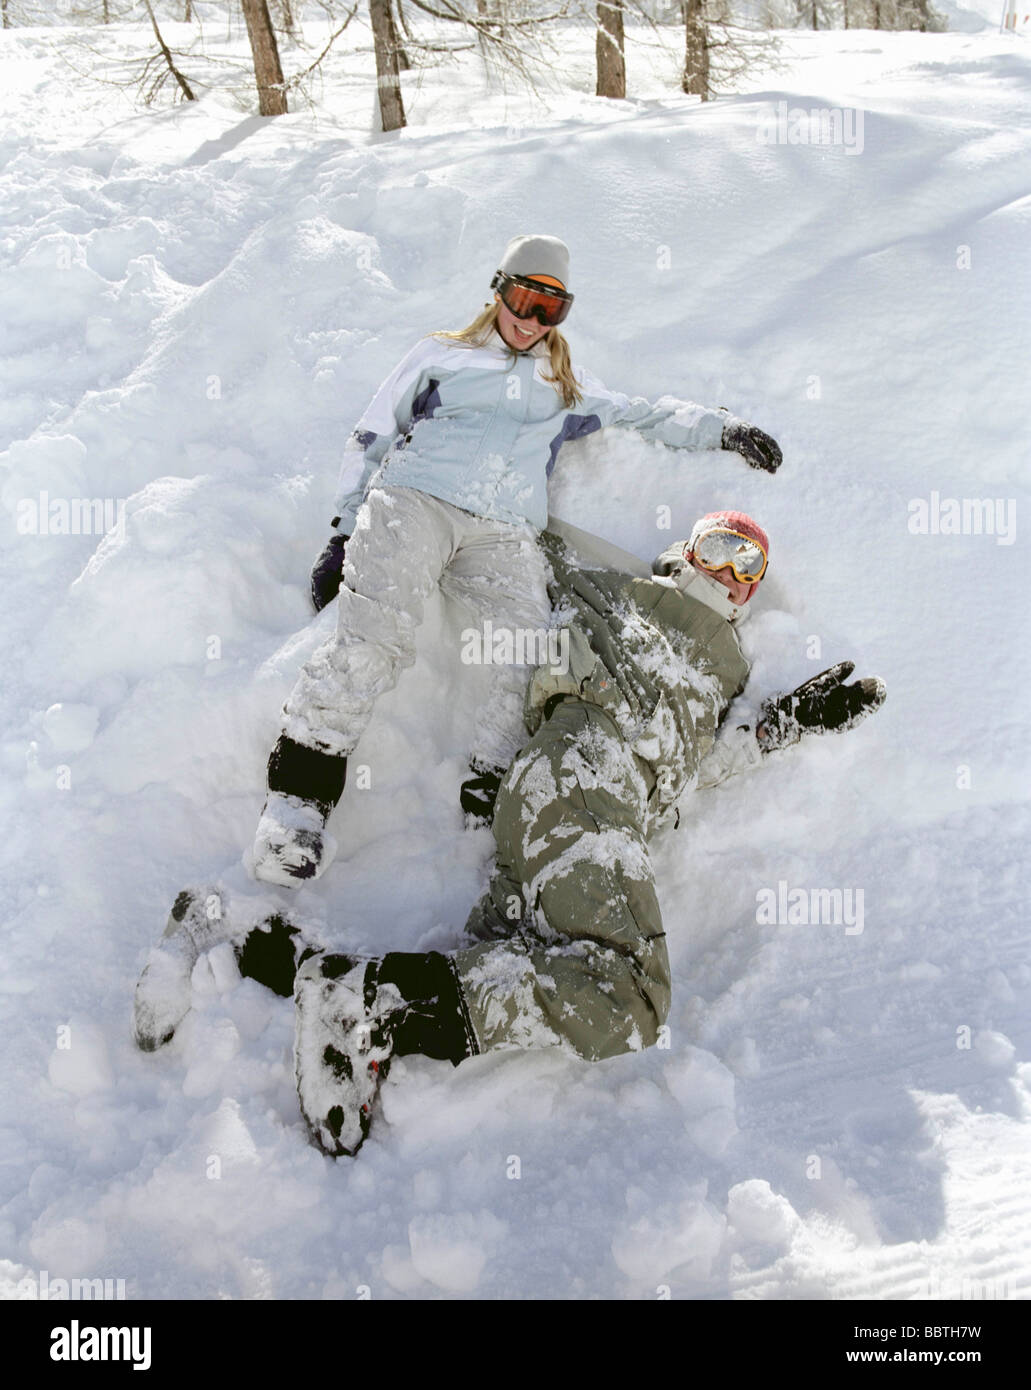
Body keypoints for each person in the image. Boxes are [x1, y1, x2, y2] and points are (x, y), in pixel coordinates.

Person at [134, 511, 885, 1158]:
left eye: (748, 560)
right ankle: (368, 998)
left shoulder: (723, 676)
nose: (729, 566)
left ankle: (256, 942)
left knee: (493, 971)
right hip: (583, 778)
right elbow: (505, 526)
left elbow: (689, 768)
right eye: (719, 542)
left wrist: (779, 725)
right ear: (683, 552)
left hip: (569, 812)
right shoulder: (614, 591)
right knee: (628, 998)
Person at [251, 233, 783, 887]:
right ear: (498, 290)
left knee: (529, 653)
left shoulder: (562, 386)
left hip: (500, 533)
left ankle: (487, 791)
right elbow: (372, 431)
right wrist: (340, 534)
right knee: (374, 642)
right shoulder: (442, 355)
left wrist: (720, 428)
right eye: (522, 297)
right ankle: (294, 811)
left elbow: (641, 414)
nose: (529, 319)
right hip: (416, 500)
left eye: (549, 307)